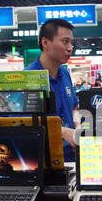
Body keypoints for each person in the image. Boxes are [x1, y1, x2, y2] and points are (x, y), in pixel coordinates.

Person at [24, 18, 80, 162]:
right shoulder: (29, 78)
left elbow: (74, 107)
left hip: (71, 157)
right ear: (45, 43)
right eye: (65, 41)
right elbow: (21, 123)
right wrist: (61, 132)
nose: (70, 47)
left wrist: (78, 128)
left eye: (71, 43)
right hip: (43, 160)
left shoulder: (65, 74)